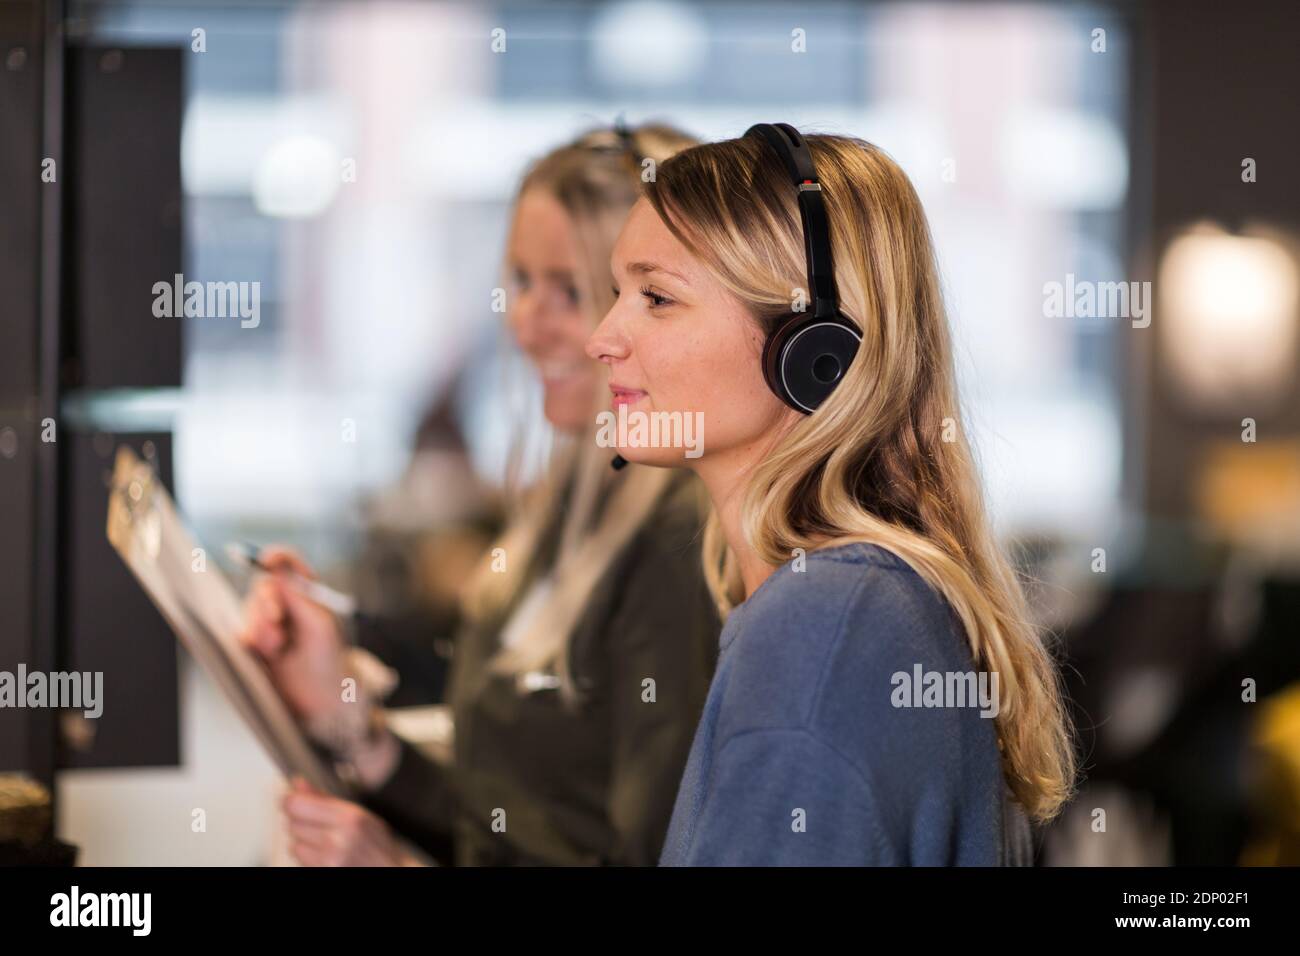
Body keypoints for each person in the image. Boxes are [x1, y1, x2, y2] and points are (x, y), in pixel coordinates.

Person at [586, 124, 1076, 865]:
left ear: (815, 352)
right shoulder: (865, 605)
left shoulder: (822, 627)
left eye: (656, 297)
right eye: (616, 293)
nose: (601, 337)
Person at [241, 123, 720, 866]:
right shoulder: (568, 508)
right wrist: (359, 738)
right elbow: (505, 824)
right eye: (521, 283)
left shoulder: (681, 535)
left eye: (573, 290)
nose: (529, 323)